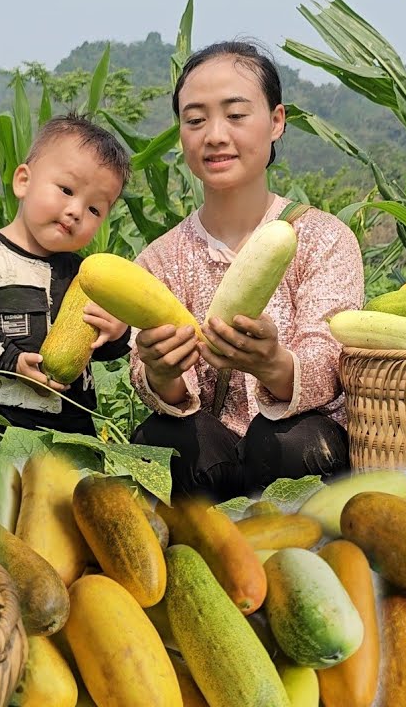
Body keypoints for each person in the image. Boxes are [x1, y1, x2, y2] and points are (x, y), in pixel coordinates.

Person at [130, 41, 364, 501]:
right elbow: (154, 381)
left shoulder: (323, 238)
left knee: (289, 442)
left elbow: (330, 358)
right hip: (207, 466)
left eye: (236, 115)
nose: (214, 135)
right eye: (195, 120)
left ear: (276, 121)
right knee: (164, 442)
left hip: (296, 455)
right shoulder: (159, 259)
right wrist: (162, 374)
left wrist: (273, 365)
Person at [0, 114, 132, 436]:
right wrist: (9, 360)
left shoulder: (86, 276)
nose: (76, 211)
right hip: (0, 419)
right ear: (24, 181)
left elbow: (103, 347)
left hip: (74, 425)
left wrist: (118, 332)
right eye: (66, 189)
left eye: (95, 209)